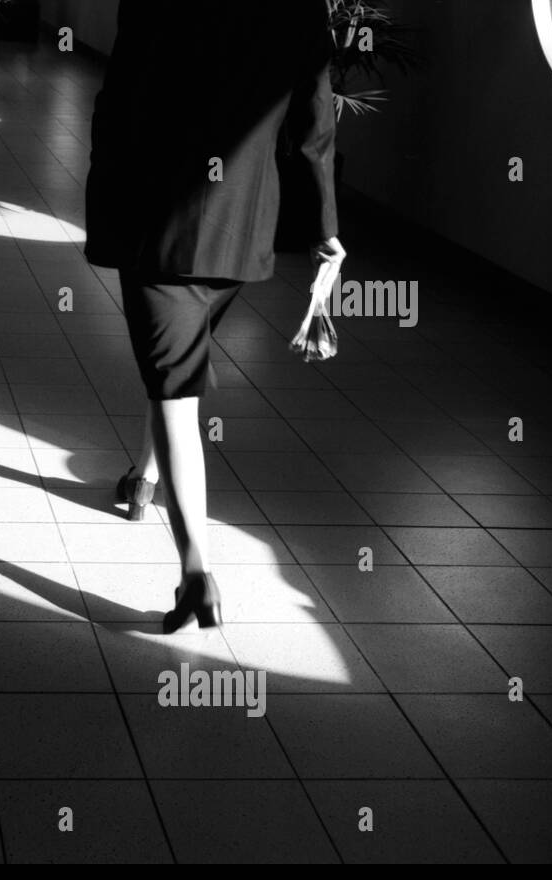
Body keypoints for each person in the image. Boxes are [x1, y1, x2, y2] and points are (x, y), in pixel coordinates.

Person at [84, 0, 345, 632]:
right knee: (175, 366)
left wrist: (105, 194)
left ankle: (196, 576)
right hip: (242, 232)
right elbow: (314, 131)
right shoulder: (300, 8)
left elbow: (118, 102)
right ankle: (141, 479)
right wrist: (325, 231)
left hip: (157, 224)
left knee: (175, 392)